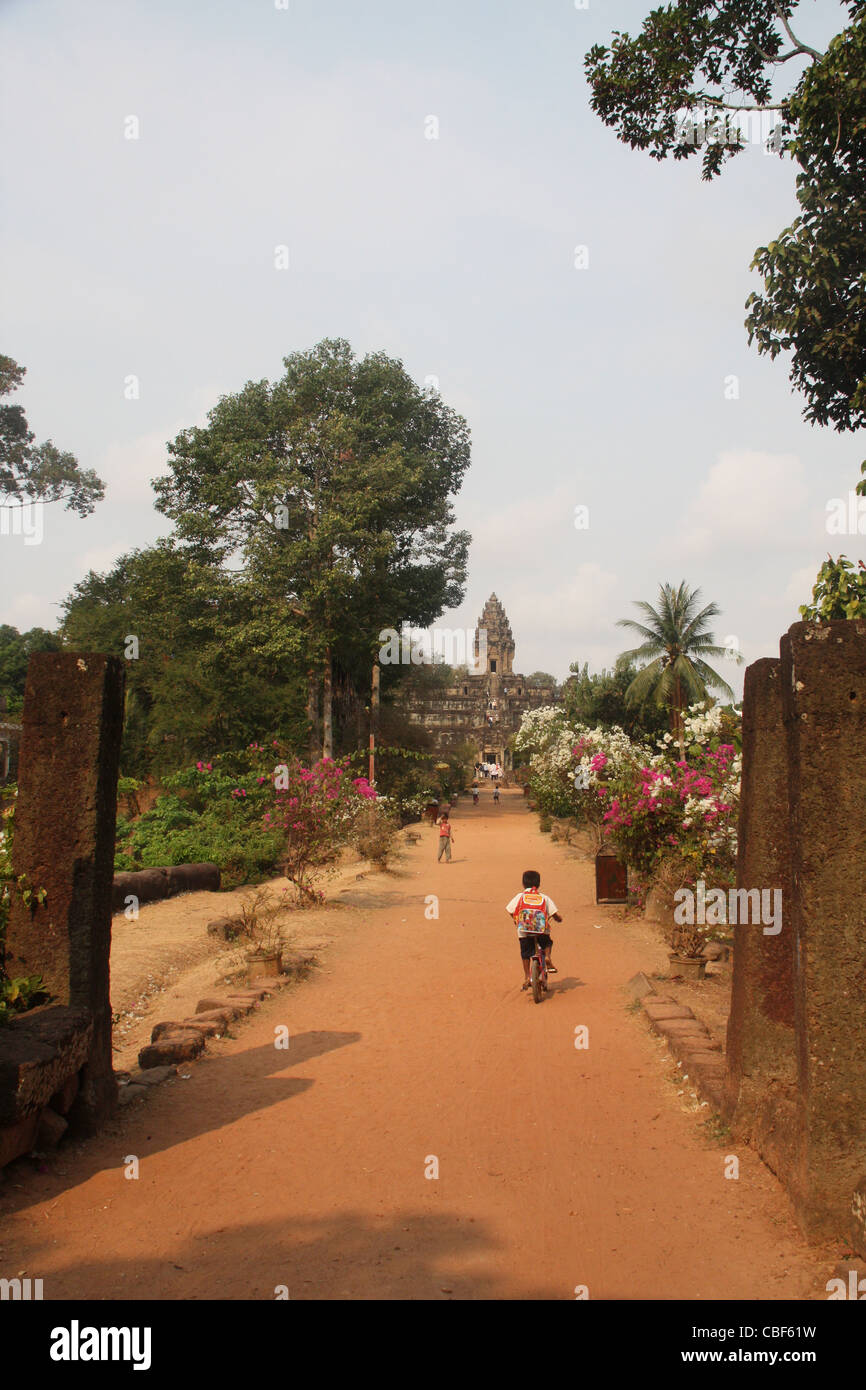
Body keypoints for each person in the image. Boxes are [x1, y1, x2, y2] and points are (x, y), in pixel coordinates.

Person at [505, 869, 562, 989]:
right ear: (539, 884)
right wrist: (558, 919)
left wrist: (516, 920)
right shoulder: (544, 897)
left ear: (523, 884)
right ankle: (547, 956)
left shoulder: (520, 896)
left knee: (525, 953)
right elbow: (554, 914)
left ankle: (527, 977)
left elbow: (510, 910)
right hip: (541, 931)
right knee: (548, 942)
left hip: (524, 931)